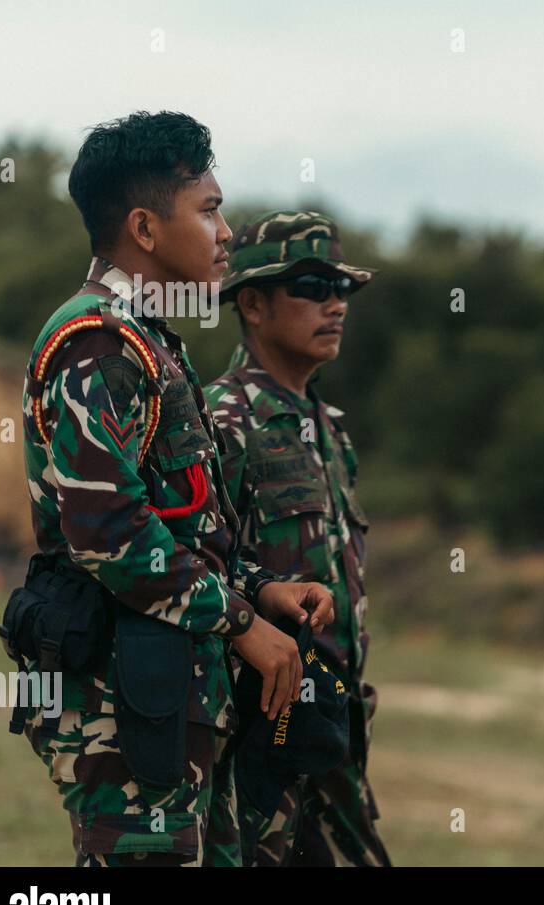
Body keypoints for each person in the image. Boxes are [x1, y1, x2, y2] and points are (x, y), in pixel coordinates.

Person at [10, 112, 332, 866]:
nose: (227, 234)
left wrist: (261, 588)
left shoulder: (152, 343)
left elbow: (181, 522)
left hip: (173, 696)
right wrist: (241, 622)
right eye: (210, 211)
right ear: (146, 229)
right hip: (120, 710)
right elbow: (106, 528)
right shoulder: (97, 341)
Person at [207, 211, 391, 866]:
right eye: (312, 286)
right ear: (253, 304)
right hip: (255, 733)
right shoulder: (219, 421)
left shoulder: (329, 429)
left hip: (331, 726)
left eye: (340, 289)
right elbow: (189, 571)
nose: (335, 304)